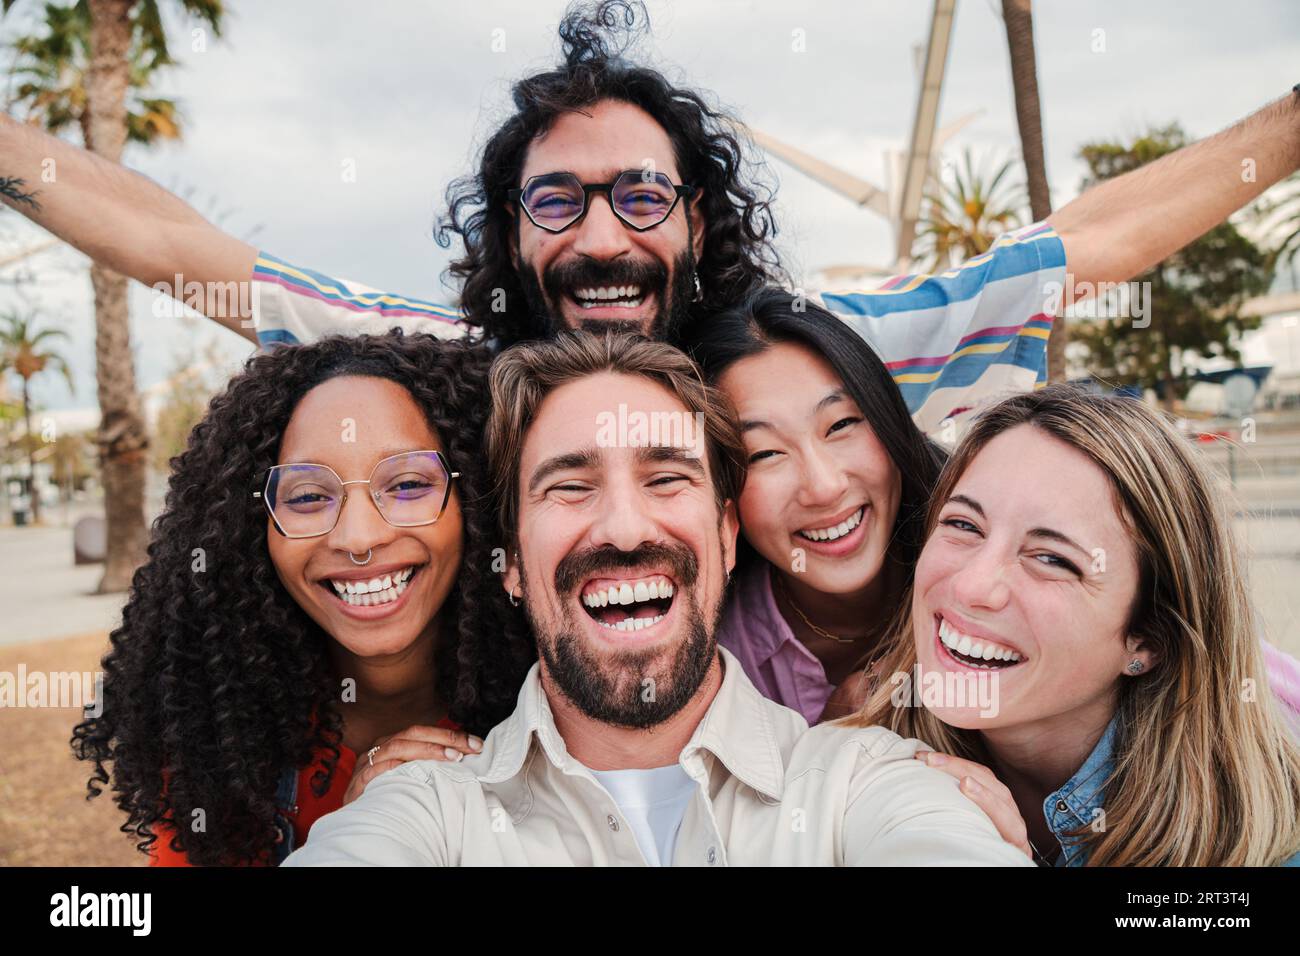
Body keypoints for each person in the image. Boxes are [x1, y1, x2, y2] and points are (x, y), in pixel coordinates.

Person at [3, 3, 1298, 435]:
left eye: (642, 194)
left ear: (696, 220)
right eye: (556, 200)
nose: (604, 236)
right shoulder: (438, 368)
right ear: (510, 236)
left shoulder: (826, 358)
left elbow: (1083, 247)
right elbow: (184, 254)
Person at [283, 331, 1031, 866]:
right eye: (570, 485)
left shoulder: (864, 781)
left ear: (729, 535)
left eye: (667, 478)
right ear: (508, 563)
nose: (625, 527)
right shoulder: (423, 812)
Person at [71, 332, 535, 866]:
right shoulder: (217, 737)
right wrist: (352, 834)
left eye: (407, 485)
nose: (359, 538)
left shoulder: (563, 714)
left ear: (477, 499)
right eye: (310, 496)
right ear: (252, 528)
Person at [849, 386, 1300, 866]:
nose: (971, 587)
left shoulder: (1273, 843)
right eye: (964, 525)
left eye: (1052, 558)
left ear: (1148, 638)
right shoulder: (852, 762)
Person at [682, 286, 944, 722]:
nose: (824, 487)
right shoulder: (712, 661)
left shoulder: (984, 560)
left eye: (841, 424)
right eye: (764, 453)